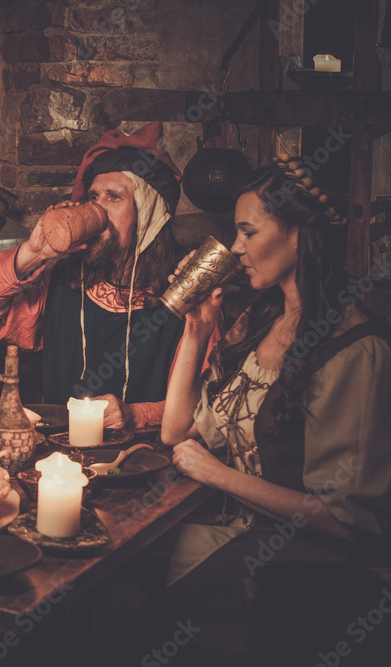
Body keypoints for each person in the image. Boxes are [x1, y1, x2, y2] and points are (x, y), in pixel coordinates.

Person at [153, 156, 391, 664]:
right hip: (238, 528)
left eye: (248, 231)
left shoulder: (355, 350)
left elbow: (343, 519)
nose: (236, 248)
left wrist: (218, 475)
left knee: (149, 598)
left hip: (309, 558)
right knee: (126, 571)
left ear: (299, 236)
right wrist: (196, 328)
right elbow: (178, 434)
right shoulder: (259, 321)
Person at [0, 122, 186, 428]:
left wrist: (136, 414)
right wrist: (33, 254)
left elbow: (203, 410)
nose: (98, 209)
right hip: (60, 464)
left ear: (149, 214)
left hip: (144, 462)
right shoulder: (61, 284)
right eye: (93, 197)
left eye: (113, 197)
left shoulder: (184, 299)